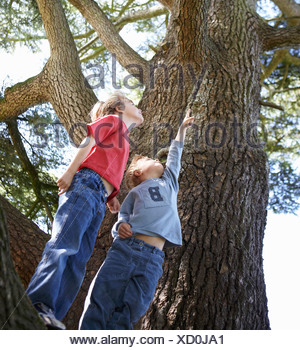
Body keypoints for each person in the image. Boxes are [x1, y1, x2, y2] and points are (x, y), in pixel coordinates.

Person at [26, 91, 143, 329]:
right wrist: (70, 171)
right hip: (84, 185)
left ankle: (51, 317)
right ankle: (37, 305)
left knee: (78, 262)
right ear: (119, 108)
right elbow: (88, 142)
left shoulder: (125, 140)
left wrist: (111, 196)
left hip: (98, 197)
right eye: (132, 102)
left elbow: (107, 164)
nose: (137, 106)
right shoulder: (113, 121)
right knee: (62, 246)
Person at [79, 110, 194, 330]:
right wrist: (119, 227)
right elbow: (124, 217)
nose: (156, 159)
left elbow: (174, 156)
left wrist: (181, 131)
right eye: (150, 159)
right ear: (139, 171)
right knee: (101, 298)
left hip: (152, 260)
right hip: (125, 250)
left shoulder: (169, 182)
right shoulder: (134, 194)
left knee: (132, 309)